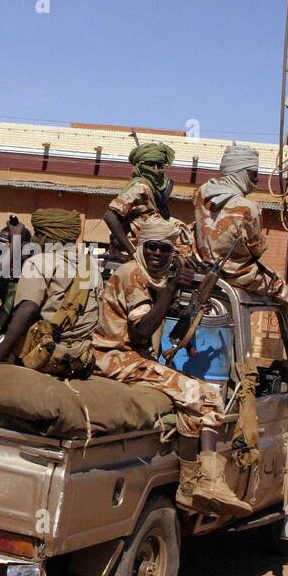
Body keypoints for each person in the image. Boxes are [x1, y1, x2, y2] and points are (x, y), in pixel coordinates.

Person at [92, 217, 251, 517]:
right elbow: (141, 330)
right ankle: (209, 480)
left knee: (193, 406)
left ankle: (190, 487)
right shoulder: (133, 275)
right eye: (151, 247)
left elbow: (168, 317)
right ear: (141, 247)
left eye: (164, 250)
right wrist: (173, 289)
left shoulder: (156, 278)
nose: (157, 254)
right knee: (207, 395)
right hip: (114, 358)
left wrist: (189, 307)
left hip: (134, 358)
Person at [0, 208, 100, 377]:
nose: (34, 239)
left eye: (37, 234)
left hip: (45, 355)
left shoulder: (40, 262)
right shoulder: (91, 265)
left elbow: (28, 309)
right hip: (79, 357)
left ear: (47, 236)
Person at [193, 143, 288, 333]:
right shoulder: (248, 208)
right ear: (241, 172)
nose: (257, 179)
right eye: (253, 173)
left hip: (199, 265)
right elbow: (256, 249)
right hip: (235, 273)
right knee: (277, 285)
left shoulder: (201, 193)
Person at [103, 141, 176, 257]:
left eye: (160, 166)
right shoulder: (140, 187)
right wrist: (132, 253)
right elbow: (109, 216)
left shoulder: (152, 189)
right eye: (151, 164)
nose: (156, 169)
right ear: (140, 166)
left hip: (150, 251)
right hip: (137, 253)